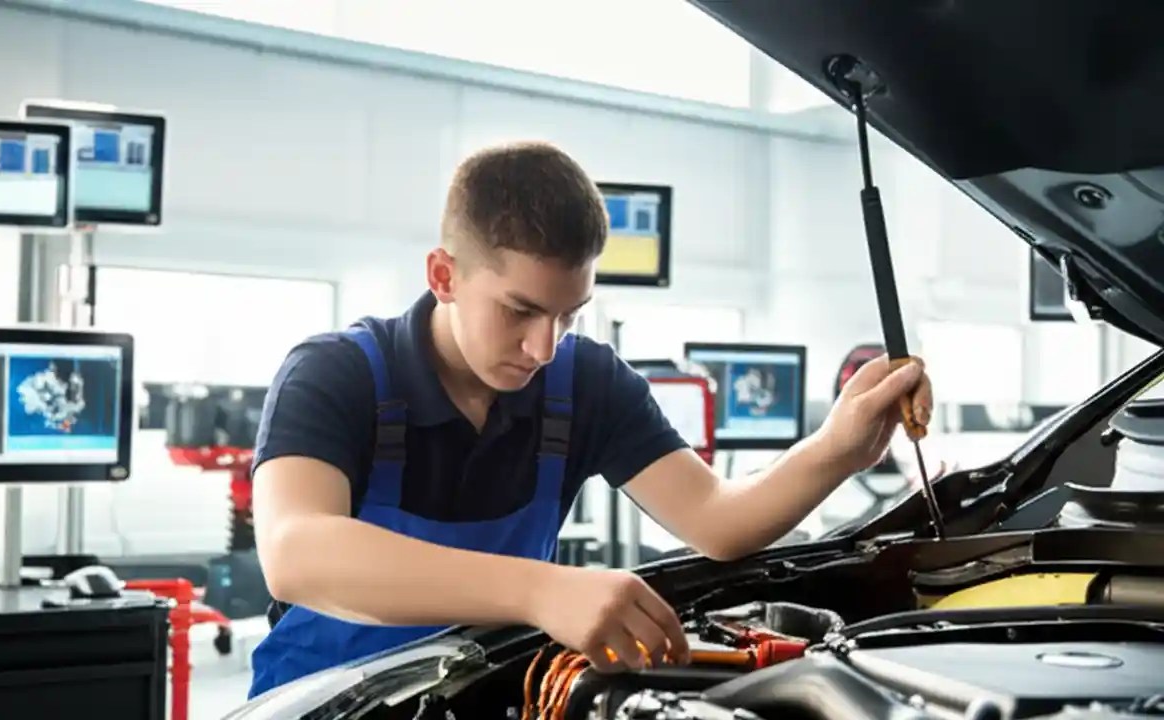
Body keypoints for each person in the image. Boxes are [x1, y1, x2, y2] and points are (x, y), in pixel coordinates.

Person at [246, 141, 933, 698]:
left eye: (568, 314)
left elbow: (718, 519)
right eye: (519, 310)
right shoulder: (337, 373)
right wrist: (541, 589)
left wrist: (839, 447)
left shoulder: (586, 383)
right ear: (444, 275)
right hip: (319, 703)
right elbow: (297, 552)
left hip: (483, 698)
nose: (543, 348)